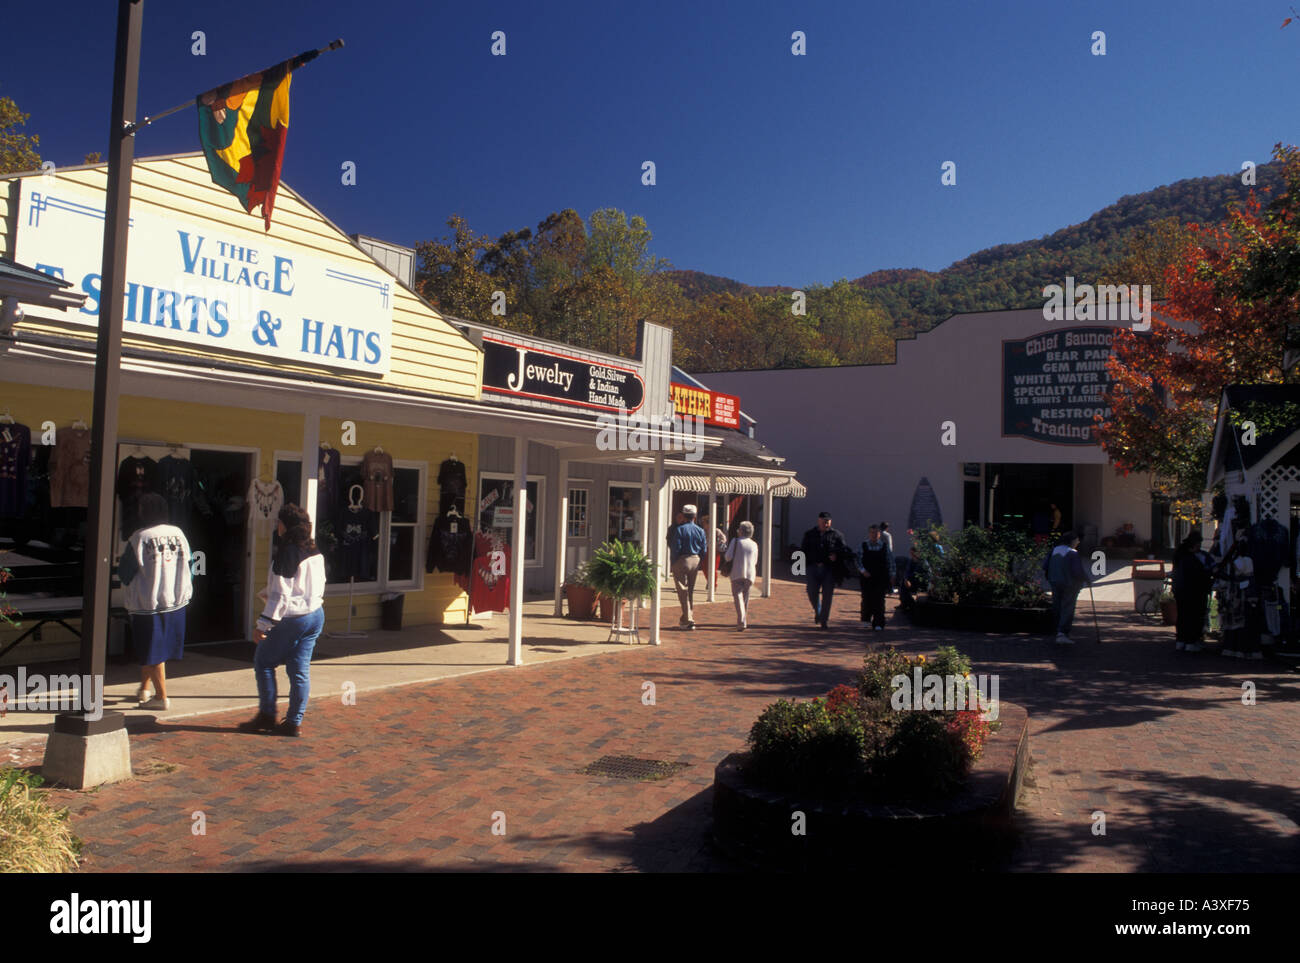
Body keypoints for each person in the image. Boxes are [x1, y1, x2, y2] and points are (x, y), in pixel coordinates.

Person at [239, 504, 326, 736]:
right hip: (315, 614)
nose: (276, 525)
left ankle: (267, 716)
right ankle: (293, 722)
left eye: (278, 521)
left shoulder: (287, 553)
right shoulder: (314, 549)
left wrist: (263, 625)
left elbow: (280, 595)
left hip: (293, 617)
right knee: (299, 670)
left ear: (285, 526)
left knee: (264, 662)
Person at [118, 492, 192, 711]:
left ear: (143, 511)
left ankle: (161, 697)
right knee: (152, 649)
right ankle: (144, 689)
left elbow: (125, 573)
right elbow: (190, 563)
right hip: (176, 599)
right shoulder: (178, 533)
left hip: (147, 603)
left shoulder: (139, 537)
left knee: (152, 650)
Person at [801, 512, 850, 629]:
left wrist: (836, 556)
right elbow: (803, 550)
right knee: (811, 591)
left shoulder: (837, 535)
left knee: (827, 595)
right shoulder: (809, 534)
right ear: (819, 521)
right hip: (813, 567)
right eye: (824, 521)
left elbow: (844, 550)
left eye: (828, 521)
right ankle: (818, 610)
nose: (826, 524)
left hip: (829, 569)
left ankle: (824, 619)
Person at [666, 504, 707, 629]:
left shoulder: (680, 529)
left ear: (684, 515)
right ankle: (686, 618)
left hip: (681, 559)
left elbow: (676, 547)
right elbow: (704, 548)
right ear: (695, 516)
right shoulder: (700, 530)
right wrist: (700, 560)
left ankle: (688, 618)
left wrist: (673, 562)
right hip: (695, 559)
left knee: (682, 590)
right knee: (690, 590)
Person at [1043, 531, 1089, 644]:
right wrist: (1086, 579)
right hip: (1070, 583)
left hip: (1054, 581)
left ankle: (1057, 629)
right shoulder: (1072, 553)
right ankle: (1062, 632)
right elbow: (1077, 571)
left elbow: (1045, 566)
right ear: (1072, 541)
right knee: (1068, 606)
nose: (1078, 542)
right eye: (1077, 540)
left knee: (1057, 605)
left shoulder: (1053, 551)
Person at [1171, 533, 1213, 653]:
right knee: (1194, 617)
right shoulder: (1195, 558)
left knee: (1183, 616)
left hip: (1180, 591)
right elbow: (1203, 573)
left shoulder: (1180, 556)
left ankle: (1181, 641)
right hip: (1194, 592)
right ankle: (1191, 641)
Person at [725, 520, 759, 631]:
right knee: (745, 598)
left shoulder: (735, 541)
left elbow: (728, 557)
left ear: (741, 531)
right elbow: (755, 560)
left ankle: (741, 621)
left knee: (738, 597)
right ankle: (742, 620)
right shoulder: (754, 544)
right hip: (750, 574)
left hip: (737, 572)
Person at [858, 525, 894, 631]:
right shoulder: (863, 545)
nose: (874, 535)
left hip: (881, 576)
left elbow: (890, 561)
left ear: (879, 534)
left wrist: (892, 574)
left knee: (879, 600)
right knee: (866, 598)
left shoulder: (884, 546)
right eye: (872, 532)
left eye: (876, 533)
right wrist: (863, 571)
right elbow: (857, 559)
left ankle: (879, 622)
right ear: (869, 533)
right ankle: (865, 620)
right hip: (867, 577)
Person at [898, 545, 929, 615]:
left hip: (921, 582)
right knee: (903, 583)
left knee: (904, 585)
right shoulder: (911, 560)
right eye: (911, 553)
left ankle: (908, 604)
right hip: (912, 581)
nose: (912, 555)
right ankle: (906, 603)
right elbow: (907, 571)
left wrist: (908, 580)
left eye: (913, 553)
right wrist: (906, 579)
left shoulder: (922, 562)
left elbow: (917, 574)